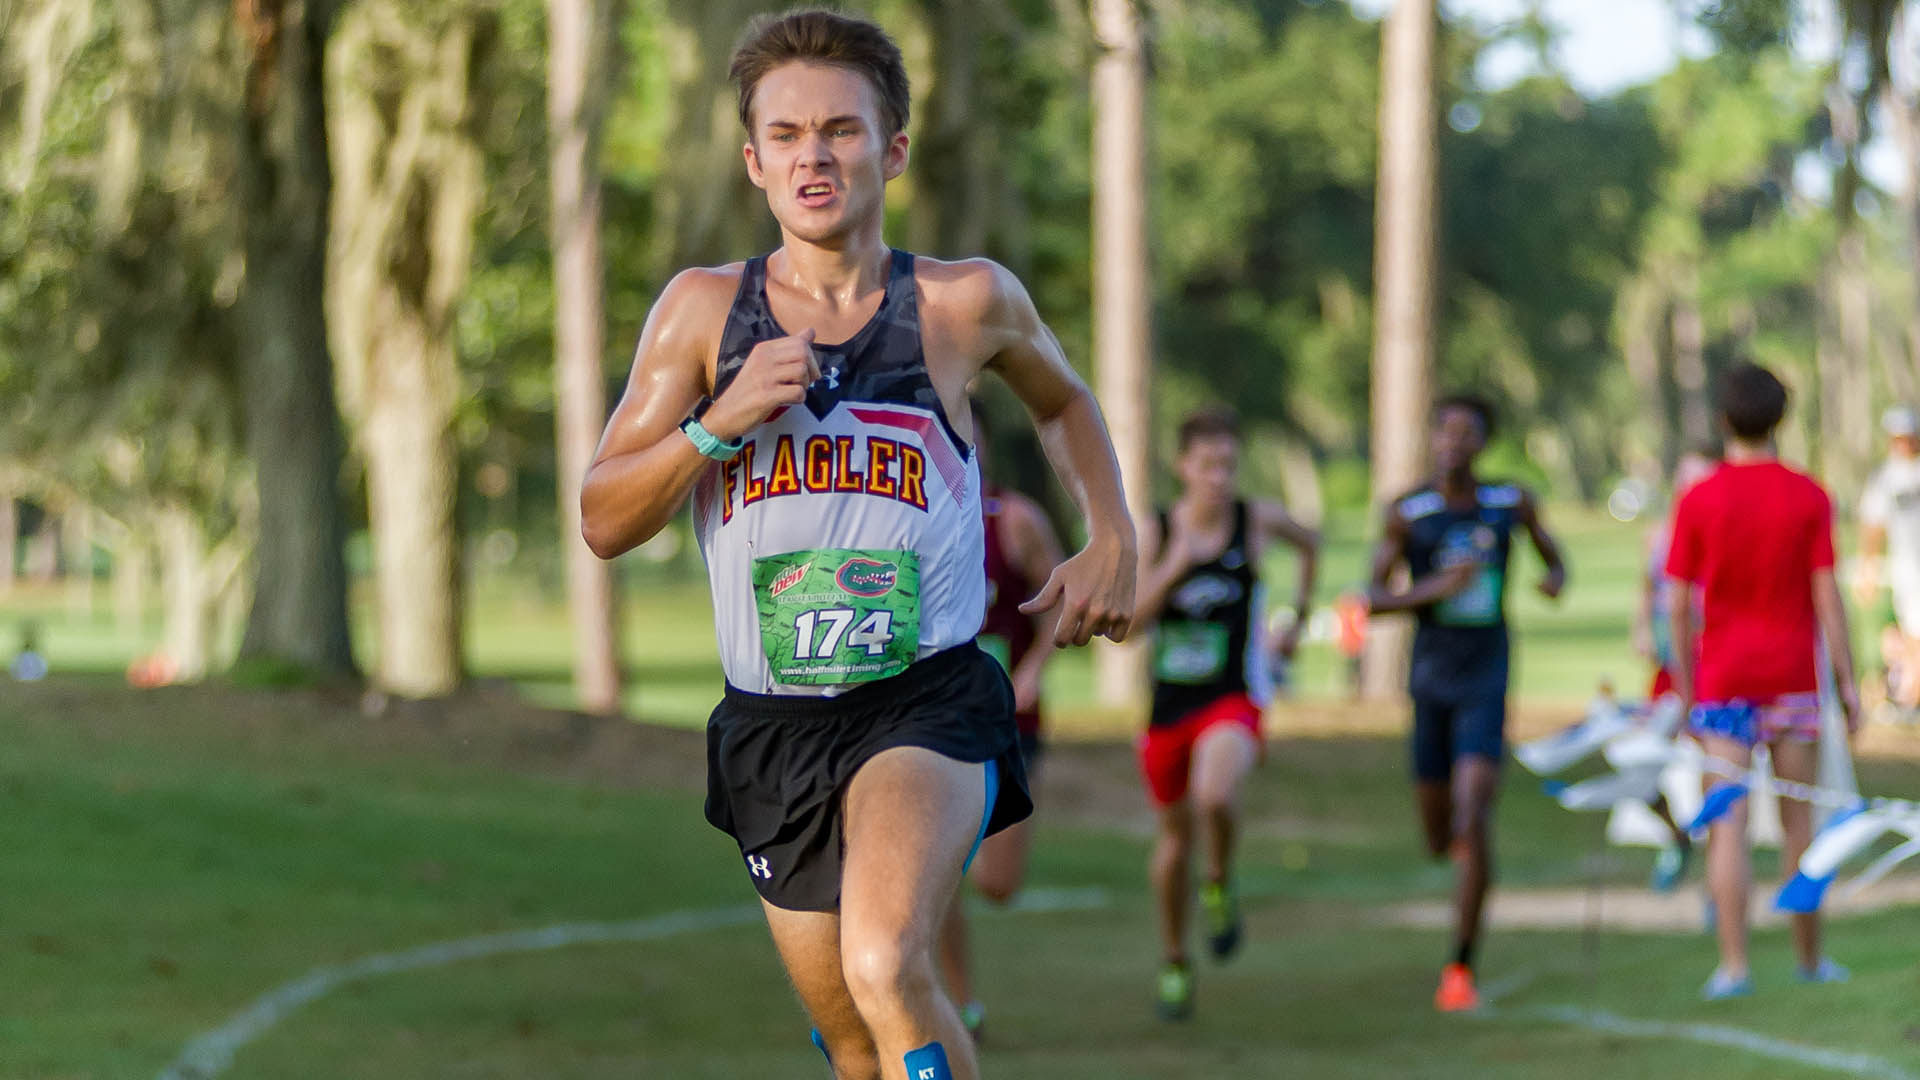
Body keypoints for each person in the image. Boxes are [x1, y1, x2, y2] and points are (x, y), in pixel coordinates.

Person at [579, 12, 1135, 1080]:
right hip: (770, 724)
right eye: (785, 135)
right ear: (753, 161)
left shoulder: (962, 303)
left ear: (893, 148)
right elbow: (605, 518)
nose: (812, 155)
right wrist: (715, 422)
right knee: (851, 1042)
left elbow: (1065, 404)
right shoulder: (702, 315)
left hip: (922, 697)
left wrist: (1114, 532)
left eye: (839, 129)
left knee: (886, 964)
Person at [1366, 393, 1567, 1013]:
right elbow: (1372, 599)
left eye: (1467, 433)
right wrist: (1434, 588)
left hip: (1487, 675)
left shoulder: (1510, 502)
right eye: (1444, 431)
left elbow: (1553, 557)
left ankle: (1460, 966)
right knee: (1438, 832)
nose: (1454, 442)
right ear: (1431, 439)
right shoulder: (1408, 510)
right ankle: (1453, 844)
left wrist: (1553, 577)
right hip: (1430, 681)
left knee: (1474, 813)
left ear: (1484, 442)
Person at [1664, 361, 1857, 1001]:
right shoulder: (1808, 496)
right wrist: (1849, 684)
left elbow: (1677, 602)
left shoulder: (1698, 498)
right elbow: (1828, 597)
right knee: (1799, 824)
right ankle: (1810, 957)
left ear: (1724, 420)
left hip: (1723, 684)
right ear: (1782, 420)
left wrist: (1686, 690)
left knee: (1728, 823)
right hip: (1793, 681)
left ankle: (1734, 967)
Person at [1133, 406, 1320, 1020]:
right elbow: (1129, 626)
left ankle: (1218, 880)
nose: (1219, 477)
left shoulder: (1255, 520)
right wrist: (1174, 568)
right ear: (1182, 466)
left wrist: (1294, 619)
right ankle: (1173, 962)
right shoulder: (1158, 529)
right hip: (1168, 710)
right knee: (1171, 843)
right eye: (1207, 464)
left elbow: (1311, 545)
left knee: (1215, 796)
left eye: (1229, 465)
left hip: (1232, 698)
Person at [937, 401, 1066, 1043]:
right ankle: (962, 1007)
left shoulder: (1013, 521)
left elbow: (1058, 608)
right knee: (934, 873)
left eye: (970, 435)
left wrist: (1035, 667)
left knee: (995, 883)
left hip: (1011, 723)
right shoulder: (913, 519)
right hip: (933, 724)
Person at [1631, 447, 1720, 891]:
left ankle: (1718, 878)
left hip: (1712, 670)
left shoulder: (1722, 532)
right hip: (1669, 670)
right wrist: (1642, 629)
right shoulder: (1661, 534)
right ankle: (1679, 837)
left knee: (1717, 772)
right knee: (1639, 768)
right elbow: (1648, 586)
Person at [1856, 405, 1920, 723]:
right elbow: (1873, 524)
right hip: (1907, 567)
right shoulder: (1885, 478)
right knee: (1911, 632)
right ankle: (1910, 693)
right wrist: (1868, 567)